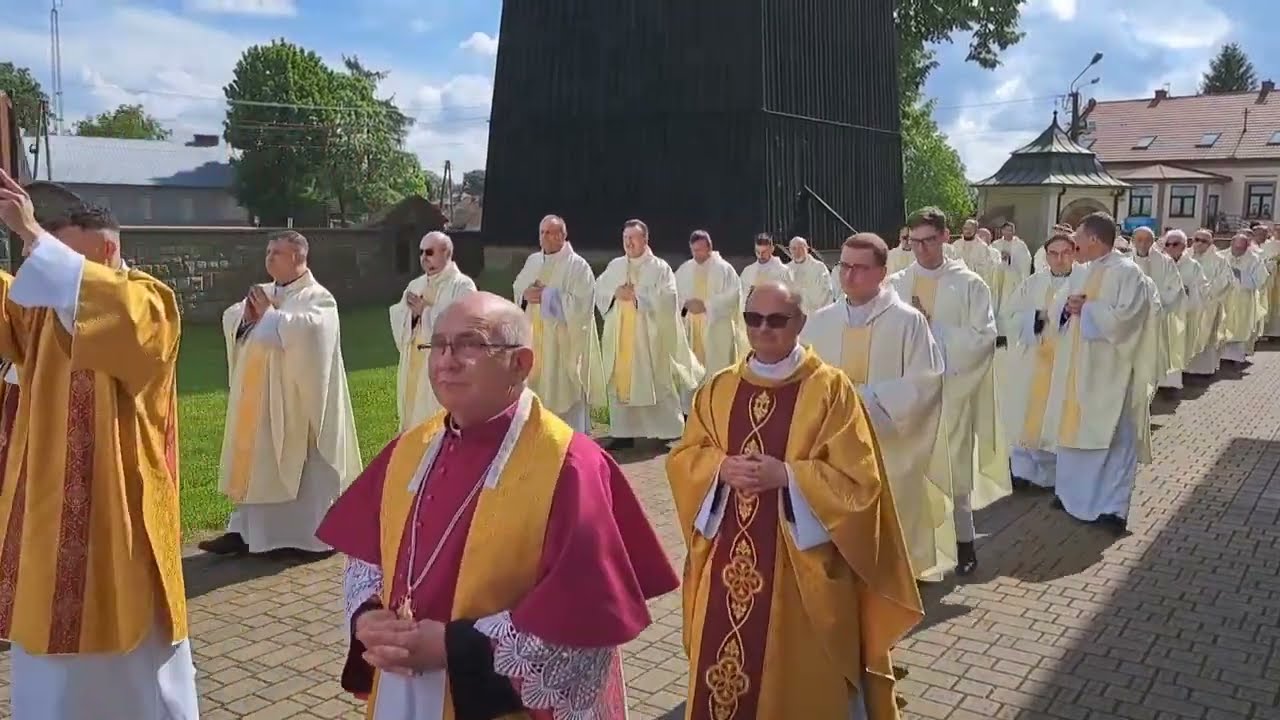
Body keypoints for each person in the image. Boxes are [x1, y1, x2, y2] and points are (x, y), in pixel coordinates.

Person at [316, 291, 679, 719]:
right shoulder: (408, 450)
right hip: (404, 688)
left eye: (469, 344)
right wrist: (367, 616)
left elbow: (581, 623)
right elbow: (366, 555)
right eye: (439, 344)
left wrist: (456, 648)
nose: (446, 361)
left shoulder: (570, 465)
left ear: (520, 363)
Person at [668, 280, 922, 719]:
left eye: (776, 320)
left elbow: (860, 483)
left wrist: (787, 475)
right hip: (727, 558)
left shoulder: (831, 390)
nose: (763, 329)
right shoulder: (718, 388)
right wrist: (719, 469)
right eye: (753, 319)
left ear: (800, 323)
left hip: (799, 569)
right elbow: (684, 457)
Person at [0, 173, 198, 719]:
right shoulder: (39, 313)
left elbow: (108, 308)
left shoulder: (149, 302)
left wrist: (33, 233)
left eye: (55, 253)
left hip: (117, 523)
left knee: (130, 684)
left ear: (106, 249)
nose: (37, 263)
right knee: (49, 686)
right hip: (46, 520)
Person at [201, 230, 363, 556]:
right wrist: (247, 317)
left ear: (297, 258)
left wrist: (272, 318)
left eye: (277, 252)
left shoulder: (319, 297)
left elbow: (315, 332)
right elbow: (234, 317)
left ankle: (309, 538)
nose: (269, 257)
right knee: (256, 459)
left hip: (299, 400)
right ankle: (246, 532)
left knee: (305, 462)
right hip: (260, 397)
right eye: (268, 251)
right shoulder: (262, 292)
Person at [802, 233, 949, 580]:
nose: (849, 275)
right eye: (845, 266)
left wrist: (864, 398)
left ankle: (896, 577)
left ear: (882, 272)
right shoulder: (821, 320)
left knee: (894, 503)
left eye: (861, 268)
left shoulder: (907, 321)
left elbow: (926, 382)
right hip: (832, 443)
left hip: (889, 442)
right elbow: (805, 379)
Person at [890, 207, 1009, 576]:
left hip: (950, 392)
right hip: (908, 396)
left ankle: (963, 543)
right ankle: (912, 553)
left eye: (929, 240)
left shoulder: (970, 284)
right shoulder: (895, 285)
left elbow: (983, 338)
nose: (921, 249)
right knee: (908, 472)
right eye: (915, 241)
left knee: (953, 468)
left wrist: (931, 330)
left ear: (945, 237)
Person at [1042, 213, 1156, 535]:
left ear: (1093, 239)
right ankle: (1068, 495)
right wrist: (1067, 309)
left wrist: (1088, 310)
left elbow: (1129, 319)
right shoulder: (1083, 272)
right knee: (1072, 430)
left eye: (1078, 236)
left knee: (1114, 437)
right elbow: (1059, 311)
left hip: (1111, 371)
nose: (1074, 242)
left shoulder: (1127, 273)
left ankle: (1112, 508)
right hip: (1077, 367)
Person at [594, 219, 703, 450]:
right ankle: (623, 433)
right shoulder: (615, 266)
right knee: (621, 382)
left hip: (649, 338)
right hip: (620, 336)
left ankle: (666, 430)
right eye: (625, 238)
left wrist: (638, 297)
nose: (628, 243)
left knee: (654, 380)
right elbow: (599, 289)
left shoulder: (660, 268)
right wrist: (615, 293)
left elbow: (669, 298)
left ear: (645, 239)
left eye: (633, 238)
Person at [513, 214, 606, 434]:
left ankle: (570, 441)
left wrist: (548, 296)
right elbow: (518, 288)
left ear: (562, 235)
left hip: (562, 344)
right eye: (542, 233)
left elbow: (582, 305)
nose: (544, 237)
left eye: (550, 233)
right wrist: (526, 295)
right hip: (535, 339)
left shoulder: (578, 267)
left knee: (565, 395)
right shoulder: (533, 261)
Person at [999, 232, 1076, 492]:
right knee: (1024, 411)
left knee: (1057, 416)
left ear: (1074, 253)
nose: (1059, 259)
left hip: (1067, 362)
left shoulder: (1083, 284)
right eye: (1053, 253)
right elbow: (1009, 315)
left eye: (1065, 253)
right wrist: (1037, 317)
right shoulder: (1034, 283)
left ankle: (1054, 476)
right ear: (1047, 256)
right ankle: (1022, 472)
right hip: (1034, 358)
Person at [390, 231, 477, 431]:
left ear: (446, 253)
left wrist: (425, 311)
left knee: (437, 422)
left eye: (429, 252)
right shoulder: (416, 284)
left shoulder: (462, 286)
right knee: (413, 422)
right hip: (414, 363)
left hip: (442, 365)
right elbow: (400, 316)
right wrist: (412, 316)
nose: (423, 258)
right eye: (421, 253)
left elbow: (463, 325)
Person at [674, 230, 745, 387]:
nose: (696, 254)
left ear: (709, 247)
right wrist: (686, 306)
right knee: (692, 376)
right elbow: (674, 296)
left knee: (717, 374)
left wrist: (706, 306)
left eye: (699, 250)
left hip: (717, 331)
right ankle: (691, 409)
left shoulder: (725, 269)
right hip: (691, 330)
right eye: (693, 250)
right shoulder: (685, 269)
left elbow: (733, 297)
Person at [1131, 227, 1186, 384]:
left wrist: (1155, 302)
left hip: (1157, 315)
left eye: (1147, 240)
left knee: (1156, 351)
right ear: (1133, 241)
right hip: (1132, 316)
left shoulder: (1165, 262)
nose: (1143, 244)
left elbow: (1175, 287)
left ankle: (1156, 382)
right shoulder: (1126, 261)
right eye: (1139, 240)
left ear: (1153, 241)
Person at [1158, 231, 1208, 391]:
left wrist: (1187, 291)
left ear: (1184, 246)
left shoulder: (1193, 266)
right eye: (1167, 244)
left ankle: (1172, 383)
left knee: (1176, 347)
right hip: (1161, 314)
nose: (1170, 248)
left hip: (1182, 314)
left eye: (1175, 244)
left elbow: (1201, 288)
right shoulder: (1159, 263)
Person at [1185, 229, 1232, 378]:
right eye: (1196, 239)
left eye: (1203, 241)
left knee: (1206, 337)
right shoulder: (1184, 256)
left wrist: (1207, 292)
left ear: (1210, 243)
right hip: (1187, 305)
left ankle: (1203, 370)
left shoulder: (1219, 260)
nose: (1198, 243)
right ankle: (1184, 368)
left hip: (1208, 305)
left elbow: (1226, 280)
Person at [1220, 232, 1269, 364]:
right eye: (1235, 248)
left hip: (1244, 299)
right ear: (1231, 244)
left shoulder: (1254, 260)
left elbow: (1260, 280)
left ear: (1247, 247)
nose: (1237, 252)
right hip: (1225, 298)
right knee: (1223, 325)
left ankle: (1236, 357)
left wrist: (1240, 274)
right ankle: (1221, 356)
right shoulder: (1222, 256)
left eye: (1241, 249)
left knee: (1240, 327)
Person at [738, 232, 792, 307]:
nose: (760, 255)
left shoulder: (783, 271)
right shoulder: (748, 271)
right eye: (757, 252)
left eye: (764, 252)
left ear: (772, 249)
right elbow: (741, 297)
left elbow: (790, 297)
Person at [785, 235, 834, 314]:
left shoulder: (819, 267)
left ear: (807, 249)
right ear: (790, 250)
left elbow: (827, 291)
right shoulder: (786, 270)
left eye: (801, 248)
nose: (797, 252)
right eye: (794, 248)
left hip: (816, 314)